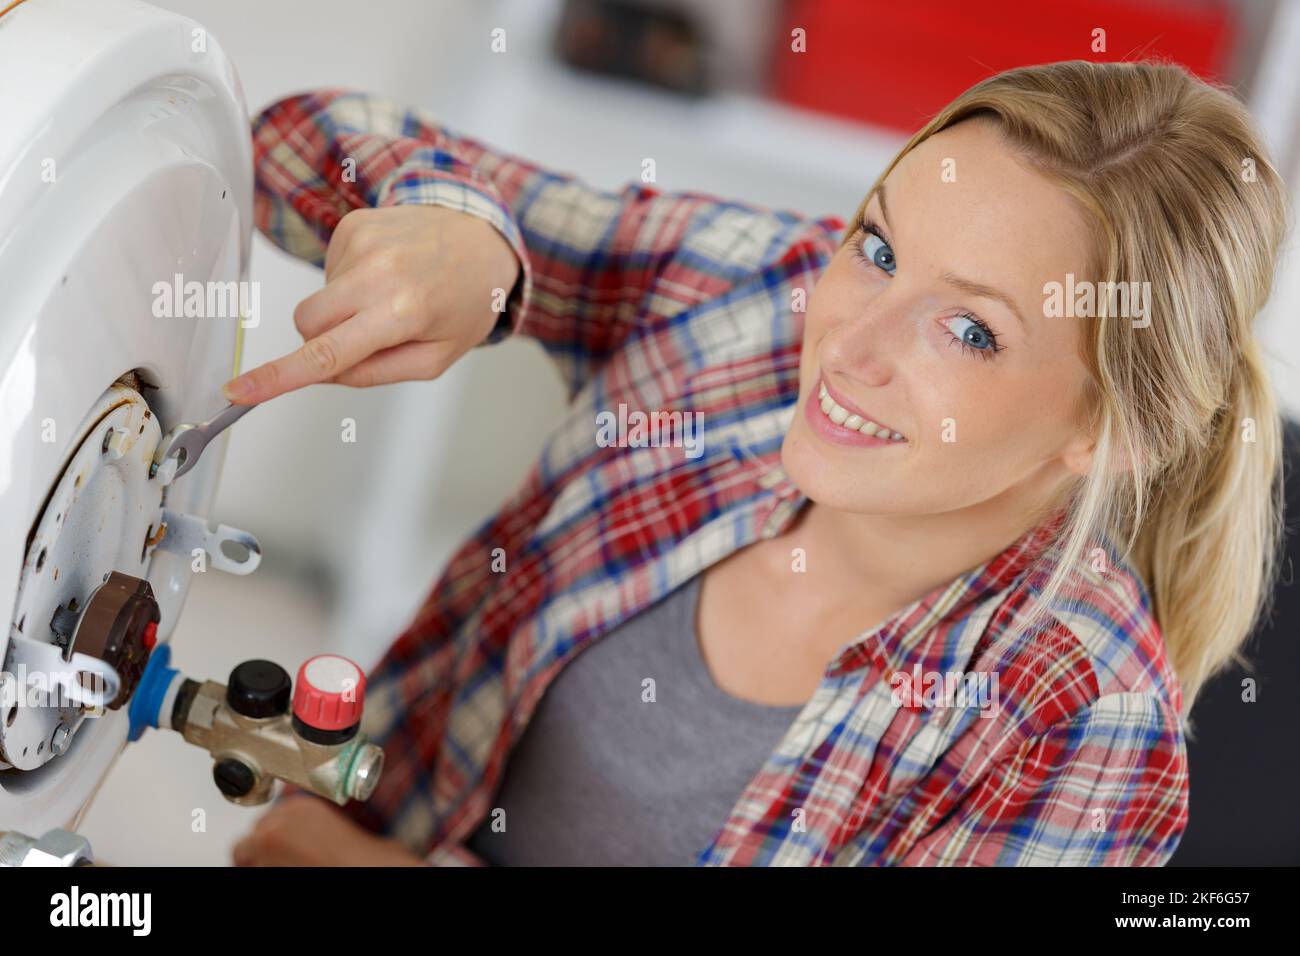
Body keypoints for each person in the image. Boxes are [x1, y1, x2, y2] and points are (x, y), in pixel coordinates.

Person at [228, 59, 1287, 866]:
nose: (849, 346)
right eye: (877, 248)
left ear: (1108, 430)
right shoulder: (752, 302)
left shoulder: (1077, 720)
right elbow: (279, 144)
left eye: (968, 330)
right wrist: (468, 237)